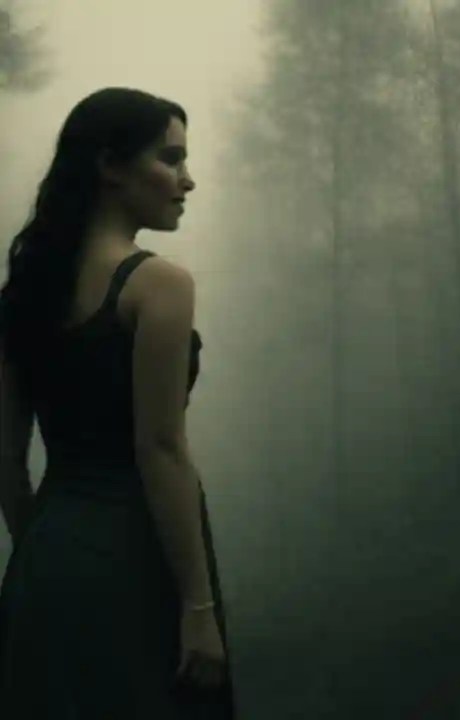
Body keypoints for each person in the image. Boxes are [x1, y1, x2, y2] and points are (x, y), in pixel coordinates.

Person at [0, 87, 237, 717]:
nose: (187, 180)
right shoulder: (157, 284)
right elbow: (159, 449)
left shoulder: (26, 291)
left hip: (43, 563)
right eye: (170, 159)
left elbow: (6, 461)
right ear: (110, 165)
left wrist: (39, 560)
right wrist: (198, 608)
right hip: (136, 552)